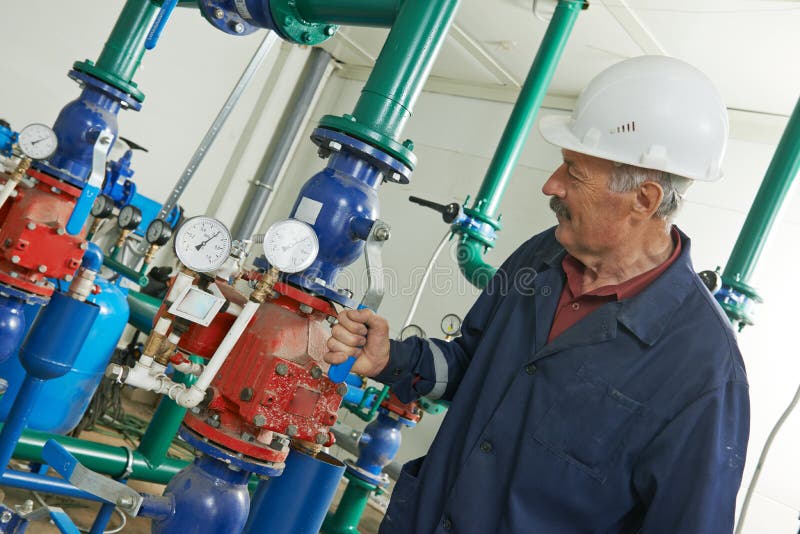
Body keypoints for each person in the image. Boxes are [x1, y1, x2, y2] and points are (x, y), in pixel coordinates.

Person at [324, 56, 750, 533]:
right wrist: (393, 360)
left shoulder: (704, 368)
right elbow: (472, 364)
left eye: (573, 170)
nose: (552, 185)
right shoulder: (542, 255)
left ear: (644, 199)